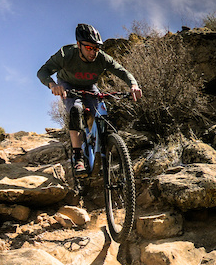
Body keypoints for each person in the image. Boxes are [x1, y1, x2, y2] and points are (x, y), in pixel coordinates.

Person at [37, 23, 142, 174]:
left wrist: (133, 85)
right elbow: (43, 71)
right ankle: (78, 156)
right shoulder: (66, 54)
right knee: (75, 110)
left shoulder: (102, 58)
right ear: (78, 44)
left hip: (89, 86)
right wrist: (53, 85)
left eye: (96, 48)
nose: (93, 52)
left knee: (101, 113)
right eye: (88, 48)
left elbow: (121, 71)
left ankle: (101, 144)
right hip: (68, 85)